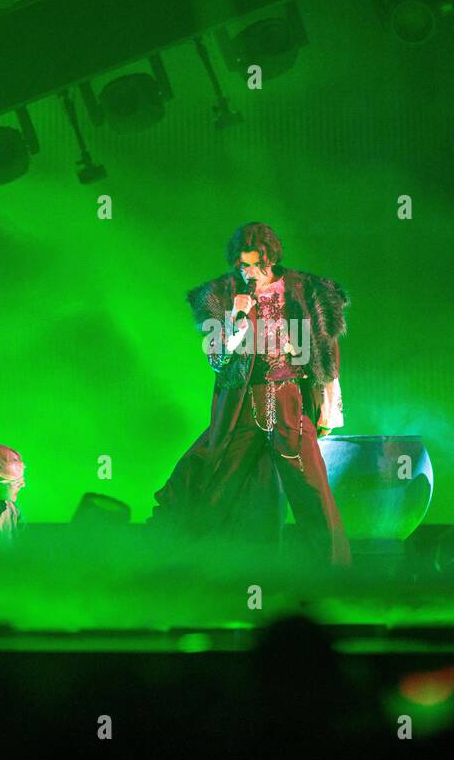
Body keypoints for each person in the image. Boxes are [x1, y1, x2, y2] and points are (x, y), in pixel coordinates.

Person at [149, 221, 352, 565]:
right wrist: (237, 318)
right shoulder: (224, 295)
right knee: (220, 481)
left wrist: (328, 409)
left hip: (289, 401)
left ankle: (334, 571)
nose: (249, 272)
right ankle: (190, 561)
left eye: (257, 264)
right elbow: (218, 359)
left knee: (311, 487)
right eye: (243, 265)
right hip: (244, 403)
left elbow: (323, 355)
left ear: (270, 259)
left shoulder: (305, 291)